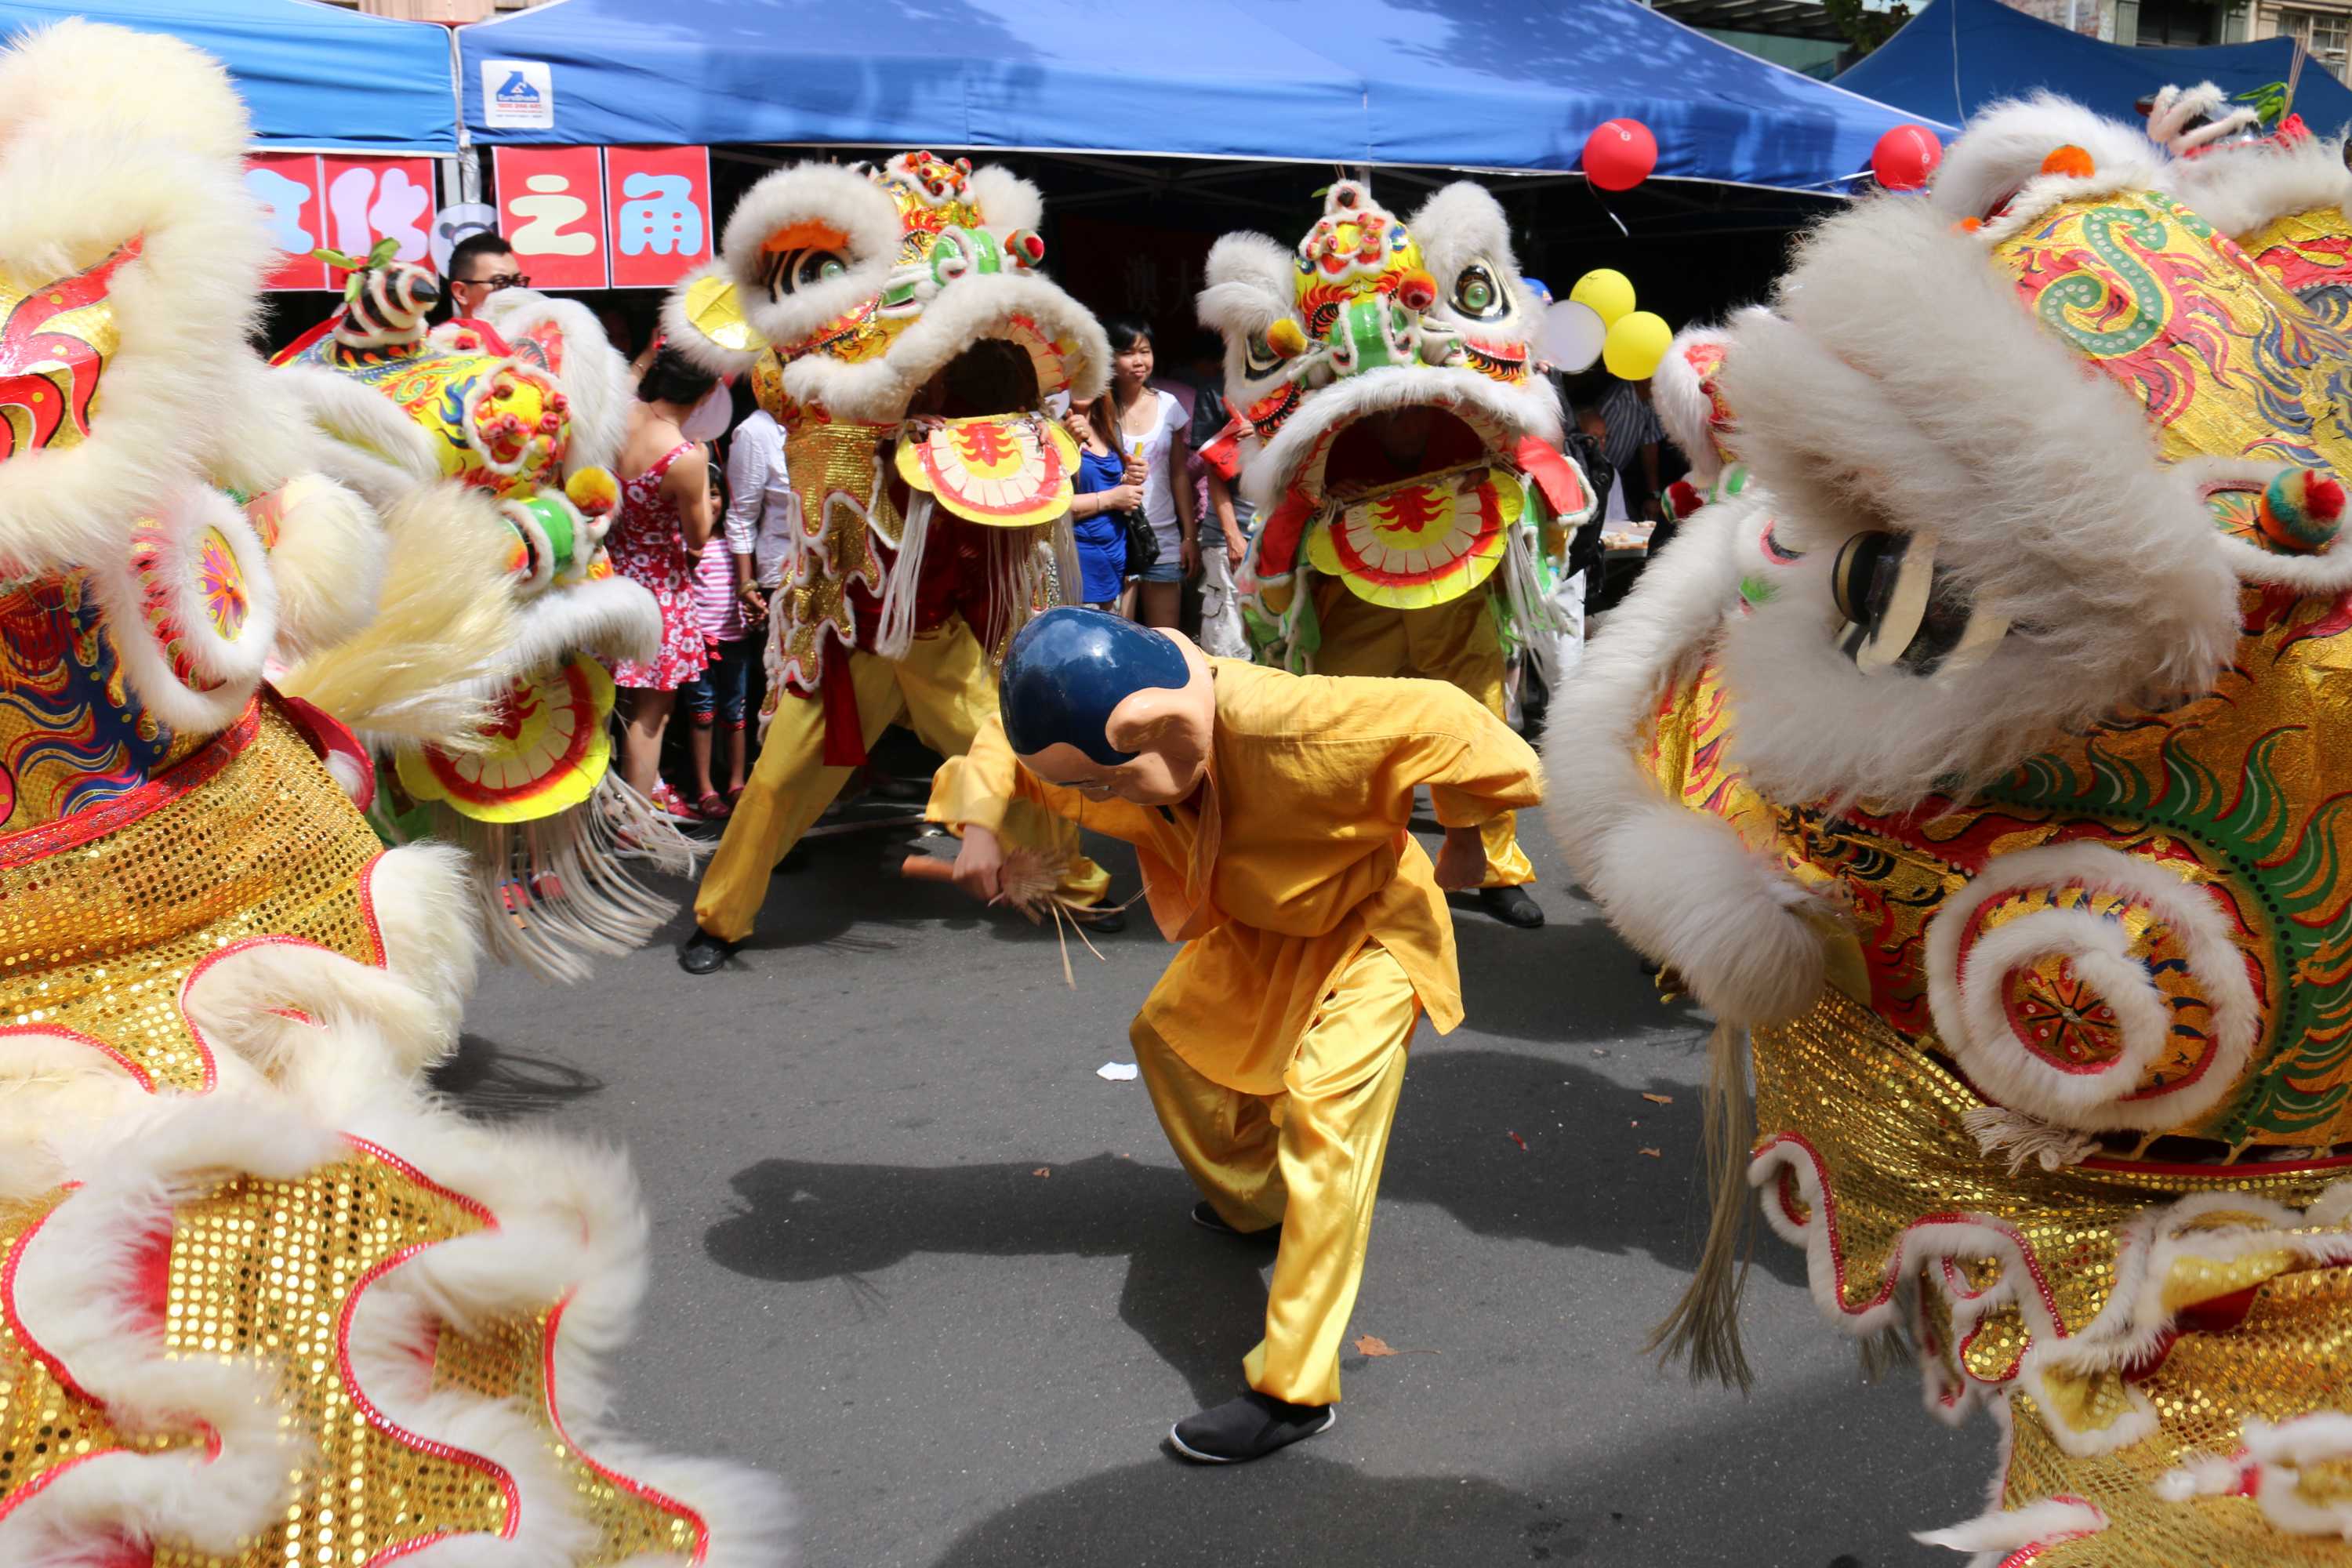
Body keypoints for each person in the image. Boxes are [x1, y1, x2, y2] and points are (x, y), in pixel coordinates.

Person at [935, 609, 1542, 1464]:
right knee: (1167, 1040)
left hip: (1371, 928)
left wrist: (1471, 840)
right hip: (1256, 928)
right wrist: (981, 826)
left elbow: (1451, 714)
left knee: (1325, 1113)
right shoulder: (1121, 742)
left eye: (1110, 784)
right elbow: (1002, 729)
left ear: (1162, 725)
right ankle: (1258, 1208)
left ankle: (1294, 1390)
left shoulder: (1288, 719)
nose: (1102, 804)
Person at [608, 346, 718, 817]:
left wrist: (643, 359)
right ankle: (637, 815)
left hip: (608, 578)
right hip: (659, 591)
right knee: (650, 716)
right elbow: (697, 537)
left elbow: (626, 385)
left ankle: (609, 806)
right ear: (710, 391)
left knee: (608, 706)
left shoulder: (620, 418)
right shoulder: (685, 457)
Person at [1097, 318, 1196, 629]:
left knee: (1167, 637)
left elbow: (1179, 475)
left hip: (1163, 537)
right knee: (1119, 634)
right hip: (1115, 535)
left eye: (1146, 351)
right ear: (1110, 357)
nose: (1139, 362)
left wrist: (1189, 536)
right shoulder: (1098, 411)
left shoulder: (1169, 406)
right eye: (1128, 353)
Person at [1065, 397, 1142, 612]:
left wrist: (1130, 480)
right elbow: (1052, 505)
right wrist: (1112, 498)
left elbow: (1106, 486)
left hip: (1113, 565)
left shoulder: (1108, 425)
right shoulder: (1051, 430)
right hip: (1076, 570)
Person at [444, 230, 528, 323]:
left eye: (517, 281)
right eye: (500, 283)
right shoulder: (442, 337)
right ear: (461, 293)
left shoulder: (538, 335)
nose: (513, 291)